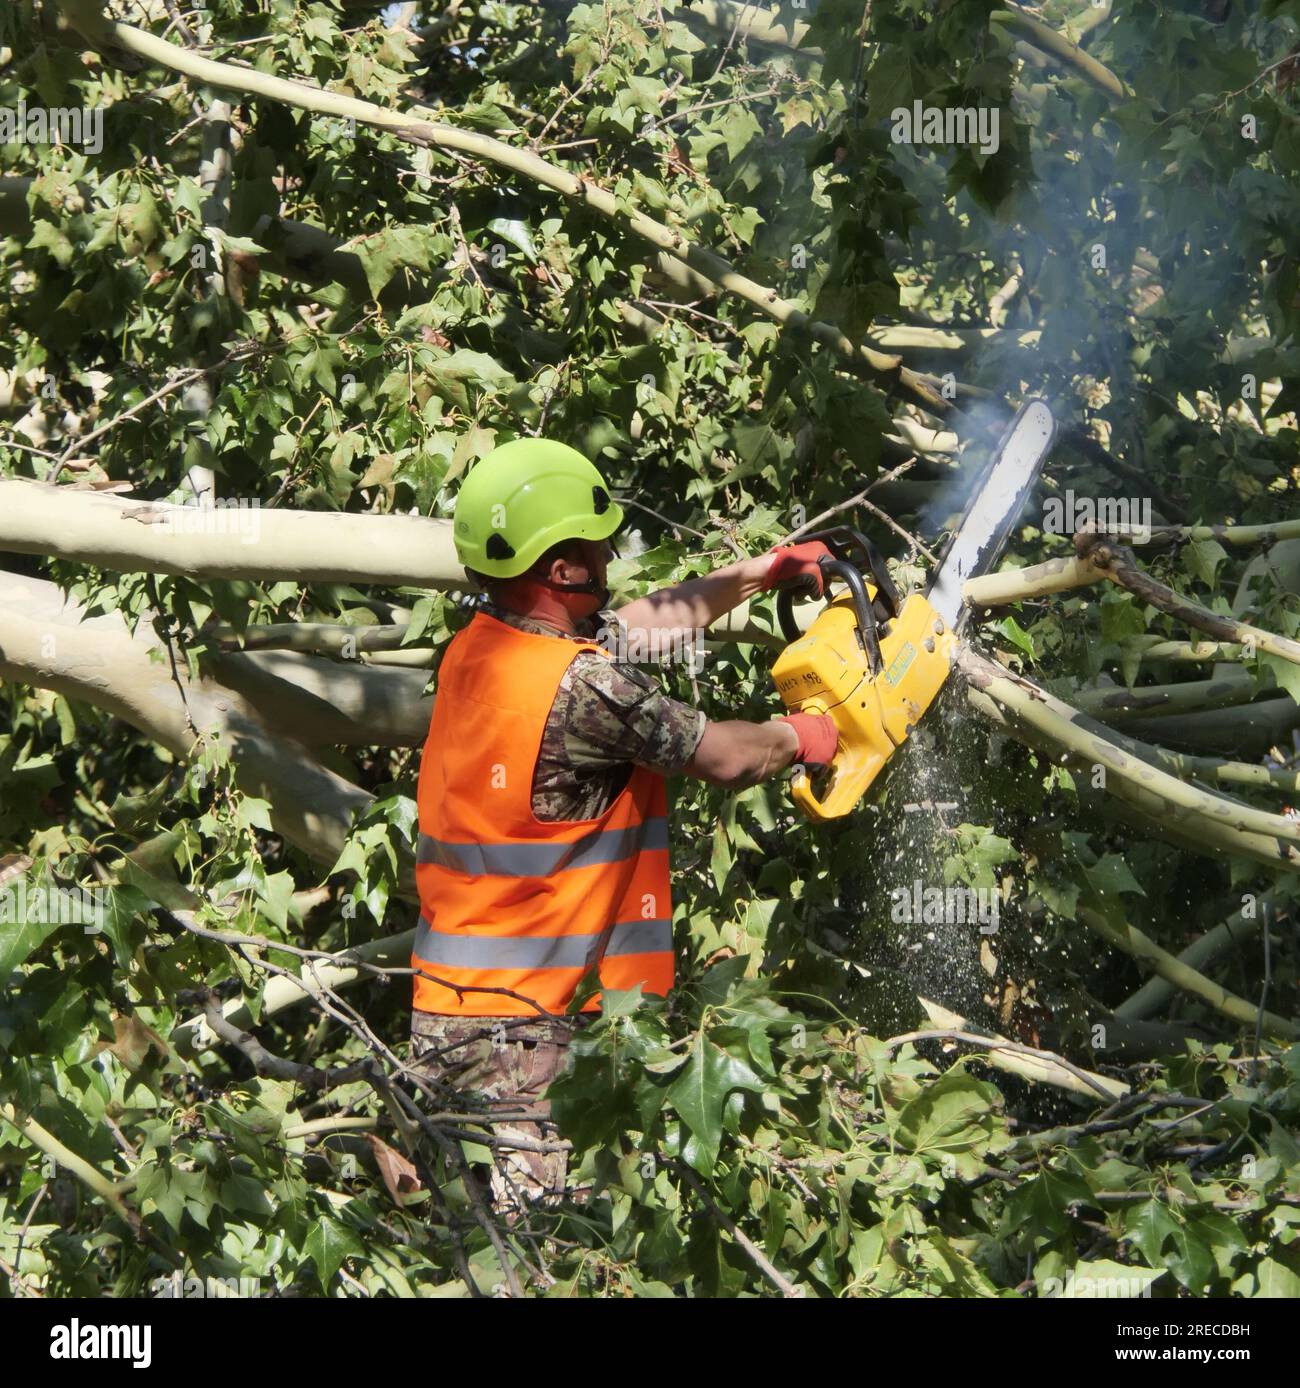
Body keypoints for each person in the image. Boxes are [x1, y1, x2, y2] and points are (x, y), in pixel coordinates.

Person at [409, 437, 838, 1216]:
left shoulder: (479, 651)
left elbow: (635, 626)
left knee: (460, 1249)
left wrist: (759, 574)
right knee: (542, 1256)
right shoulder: (584, 689)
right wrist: (807, 734)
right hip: (527, 1040)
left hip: (445, 1020)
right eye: (596, 547)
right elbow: (723, 758)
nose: (608, 558)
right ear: (564, 568)